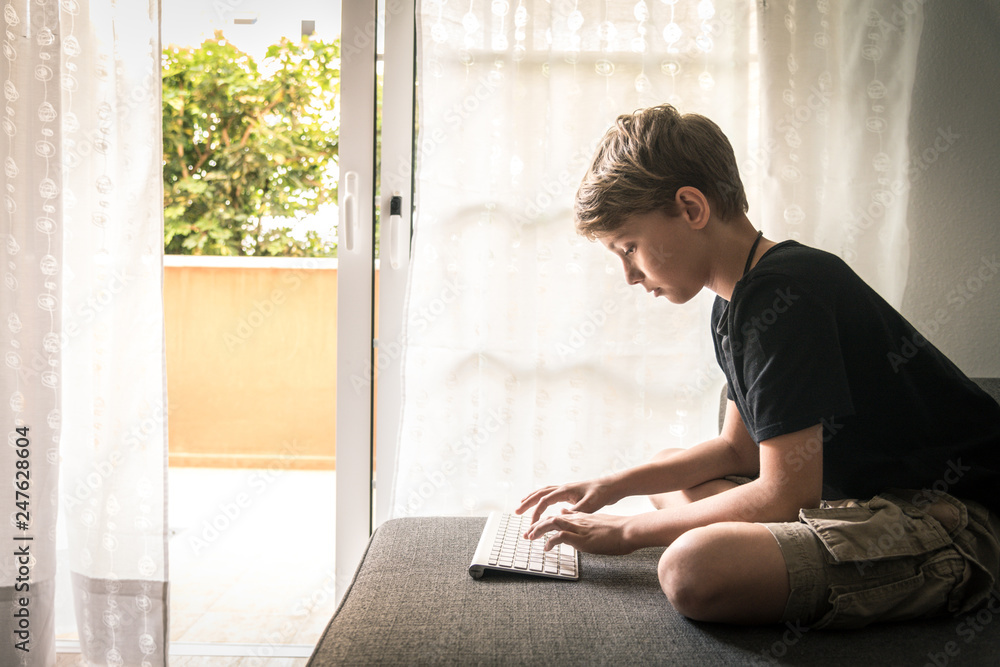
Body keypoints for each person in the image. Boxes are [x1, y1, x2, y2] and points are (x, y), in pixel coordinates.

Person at [515, 104, 1000, 629]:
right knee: (662, 471)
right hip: (858, 499)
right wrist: (612, 485)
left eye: (629, 247)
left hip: (954, 517)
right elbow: (738, 449)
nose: (629, 275)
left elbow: (786, 492)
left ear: (691, 207)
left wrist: (626, 532)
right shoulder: (736, 300)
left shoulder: (786, 292)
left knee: (689, 567)